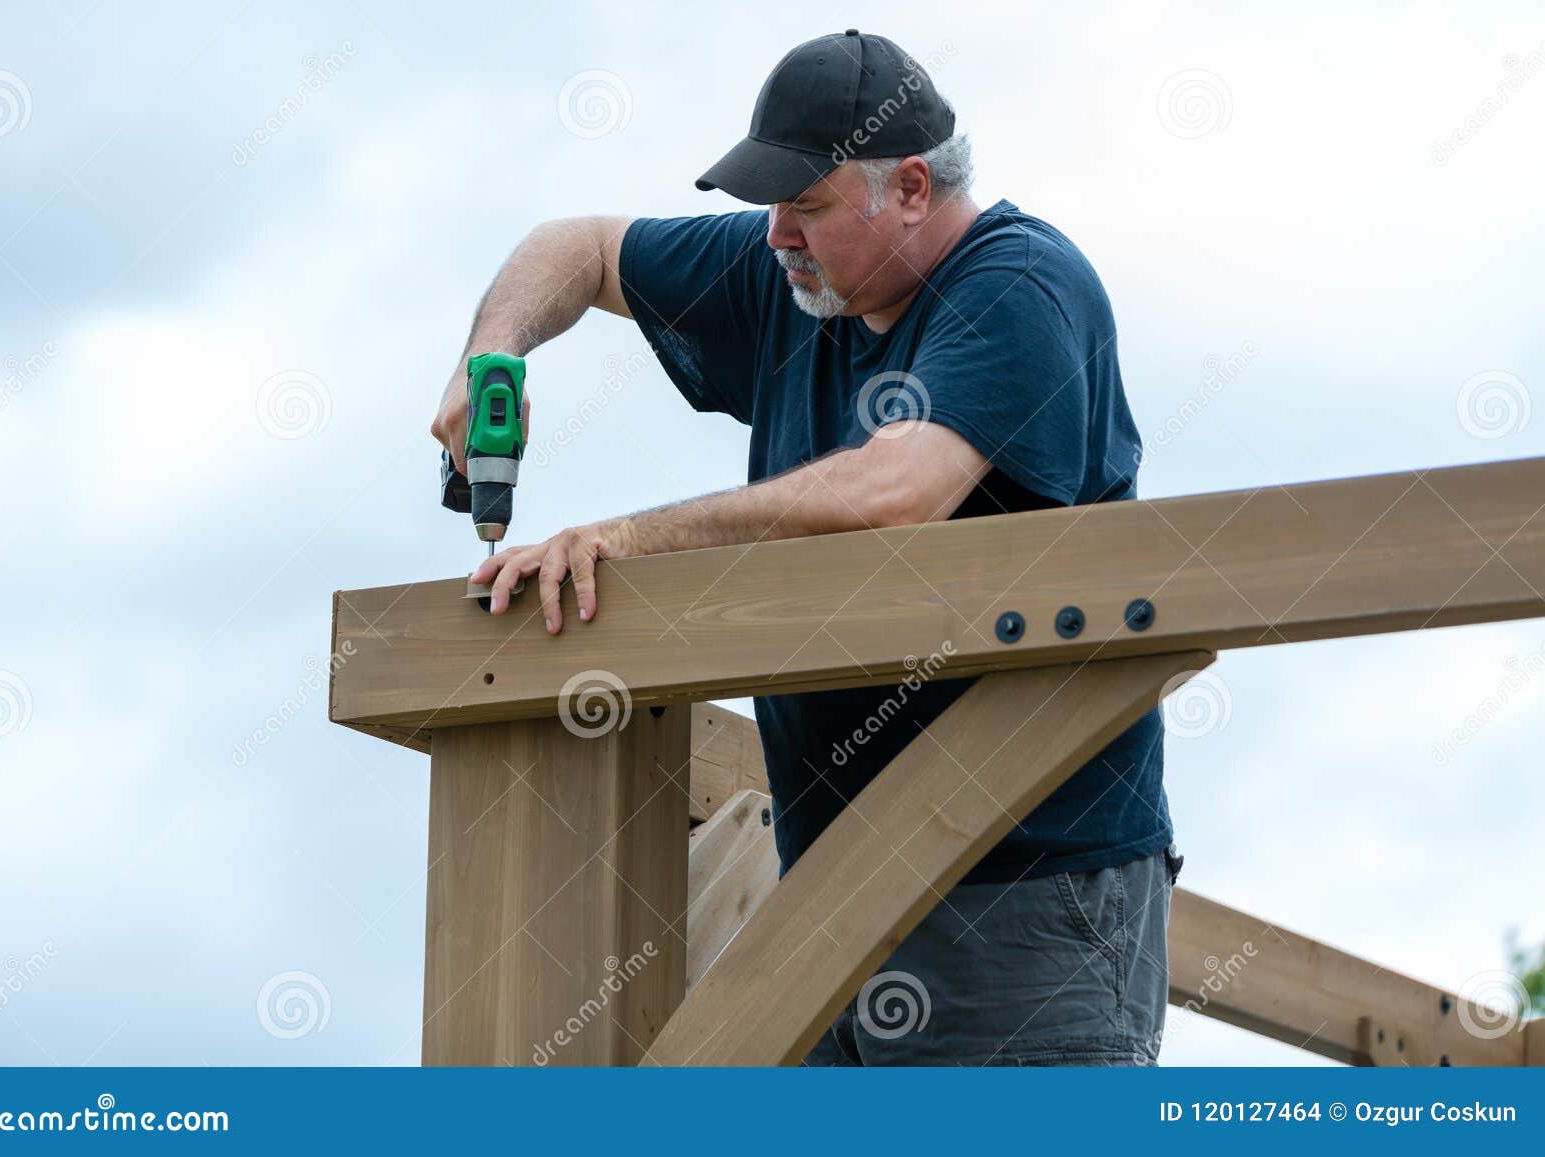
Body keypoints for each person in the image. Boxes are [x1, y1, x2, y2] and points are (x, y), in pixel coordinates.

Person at [431, 29, 1183, 1066]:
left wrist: (627, 540)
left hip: (1026, 890)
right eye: (771, 200)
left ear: (911, 187)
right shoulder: (794, 271)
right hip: (828, 893)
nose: (775, 231)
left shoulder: (1020, 285)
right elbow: (581, 247)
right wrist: (492, 350)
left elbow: (897, 490)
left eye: (809, 204)